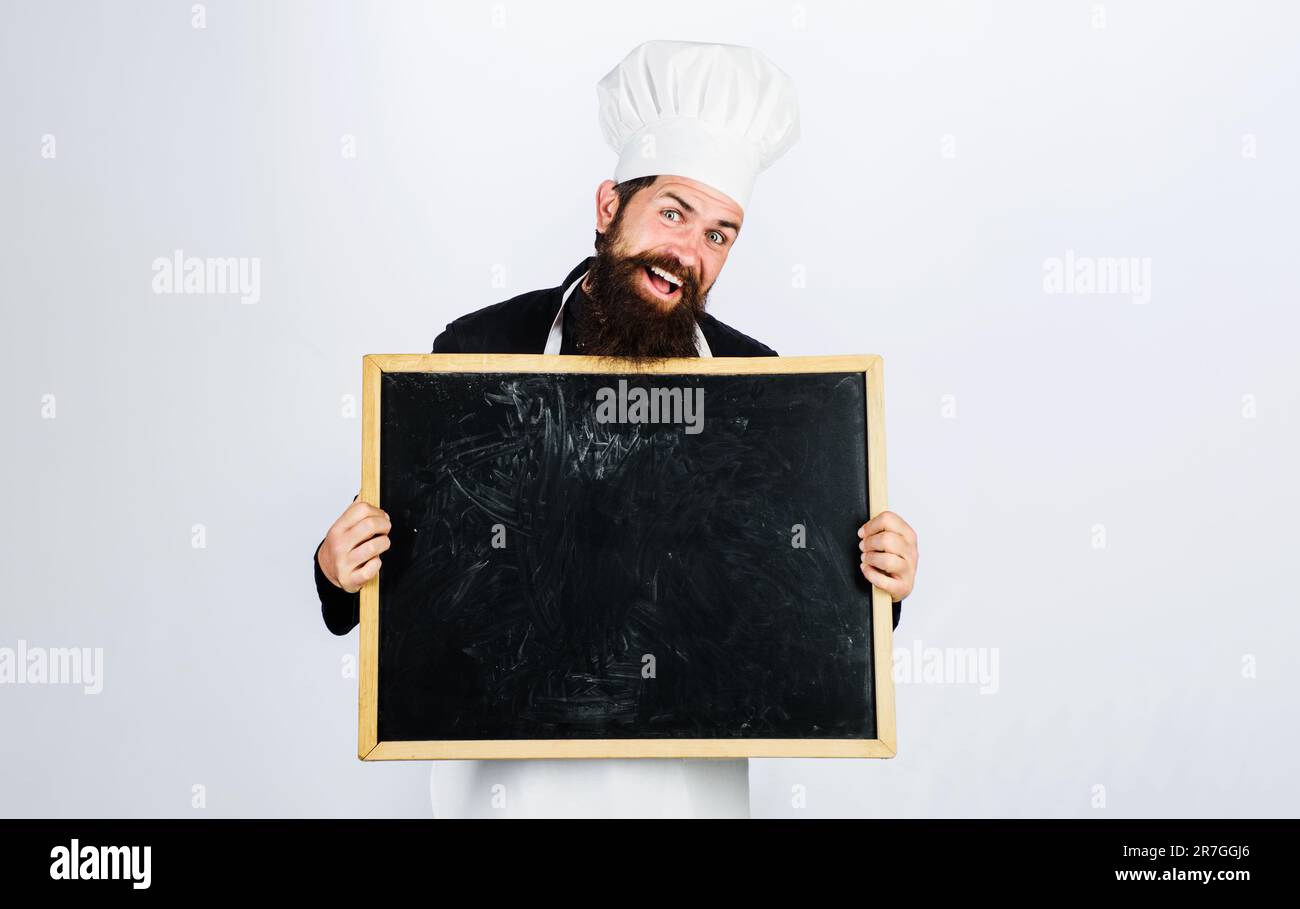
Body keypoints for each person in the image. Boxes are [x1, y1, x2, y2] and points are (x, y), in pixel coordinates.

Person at [314, 40, 919, 818]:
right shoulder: (477, 347)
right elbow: (408, 567)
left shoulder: (757, 380)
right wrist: (335, 570)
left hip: (686, 790)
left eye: (718, 233)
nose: (689, 253)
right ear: (609, 207)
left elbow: (807, 590)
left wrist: (886, 579)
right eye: (673, 213)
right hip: (503, 789)